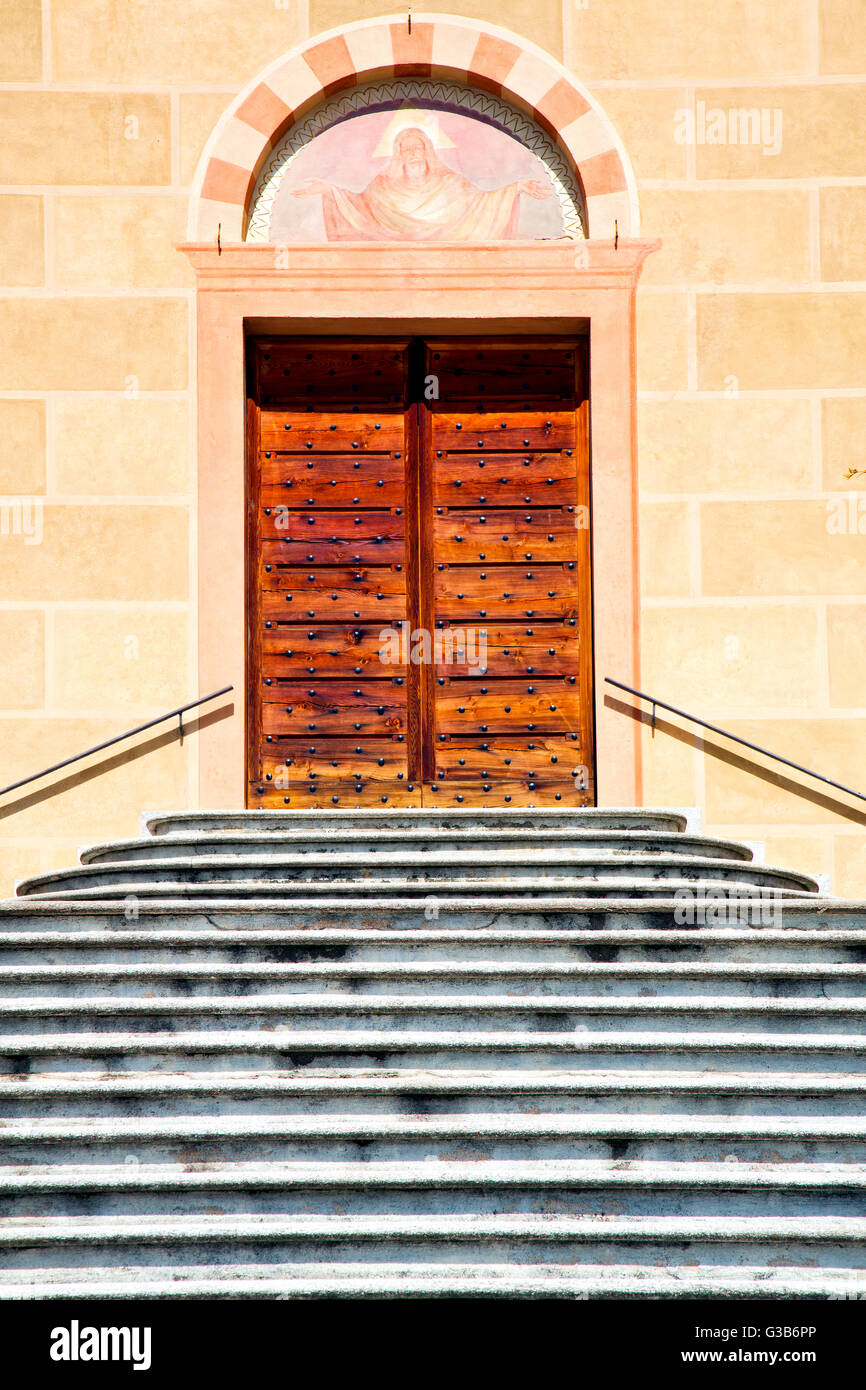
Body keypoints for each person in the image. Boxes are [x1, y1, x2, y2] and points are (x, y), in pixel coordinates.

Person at [292, 126, 552, 241]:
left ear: (428, 151)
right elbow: (361, 208)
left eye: (418, 147)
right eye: (406, 149)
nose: (413, 153)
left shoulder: (452, 184)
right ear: (398, 154)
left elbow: (480, 204)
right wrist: (329, 190)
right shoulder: (381, 187)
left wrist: (514, 188)